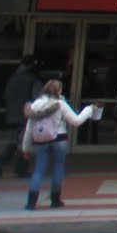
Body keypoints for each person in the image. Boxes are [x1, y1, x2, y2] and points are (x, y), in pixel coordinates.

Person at [22, 78, 98, 209]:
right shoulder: (60, 104)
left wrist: (26, 148)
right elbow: (76, 121)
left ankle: (31, 203)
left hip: (41, 140)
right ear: (59, 90)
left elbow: (29, 129)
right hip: (59, 138)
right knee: (58, 167)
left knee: (39, 169)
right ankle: (55, 200)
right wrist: (89, 109)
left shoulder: (35, 105)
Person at [0, 56, 39, 177]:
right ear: (32, 65)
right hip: (25, 115)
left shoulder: (12, 78)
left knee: (15, 141)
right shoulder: (32, 79)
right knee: (24, 142)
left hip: (12, 115)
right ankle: (20, 170)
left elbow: (6, 95)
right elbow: (37, 98)